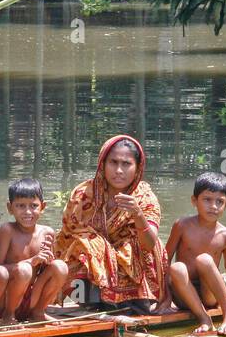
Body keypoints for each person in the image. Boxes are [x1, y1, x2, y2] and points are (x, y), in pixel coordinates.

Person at [53, 134, 166, 314]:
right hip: (90, 270)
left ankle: (133, 300)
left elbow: (150, 244)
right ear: (102, 164)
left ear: (137, 169)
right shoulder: (83, 194)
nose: (119, 170)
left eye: (126, 164)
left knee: (145, 245)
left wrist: (137, 214)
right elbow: (67, 234)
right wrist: (100, 248)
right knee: (82, 244)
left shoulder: (145, 198)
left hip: (130, 267)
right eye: (113, 162)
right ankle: (90, 301)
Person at [162, 171, 226, 336]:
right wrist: (165, 297)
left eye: (220, 201)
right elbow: (164, 261)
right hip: (183, 294)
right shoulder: (182, 225)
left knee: (204, 260)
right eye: (207, 200)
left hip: (209, 294)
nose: (214, 206)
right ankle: (204, 318)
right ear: (194, 201)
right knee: (177, 267)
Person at [0, 178, 69, 323]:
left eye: (33, 206)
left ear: (43, 206)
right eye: (20, 206)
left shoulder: (47, 232)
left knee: (60, 266)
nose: (27, 212)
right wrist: (31, 261)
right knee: (24, 269)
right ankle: (9, 316)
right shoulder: (7, 230)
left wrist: (46, 260)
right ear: (10, 208)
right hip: (5, 300)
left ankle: (38, 312)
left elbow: (45, 272)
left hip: (31, 298)